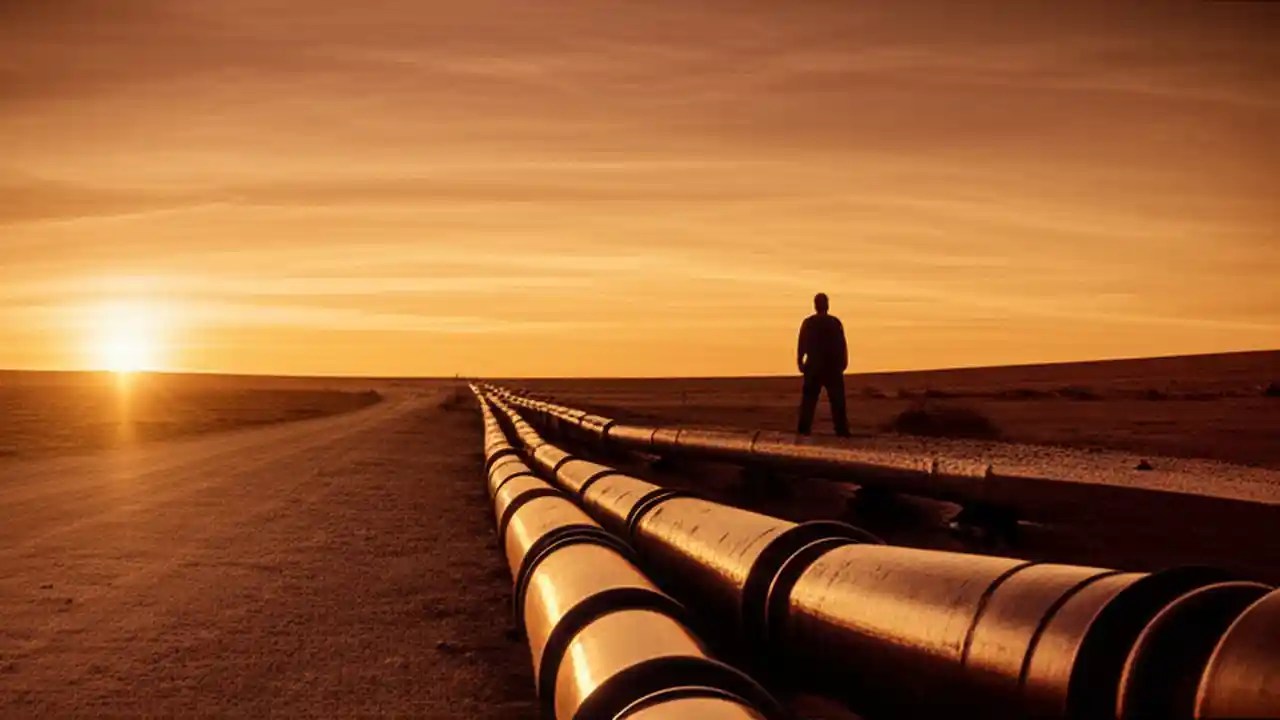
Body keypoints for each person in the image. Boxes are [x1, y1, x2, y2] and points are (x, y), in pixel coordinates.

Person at [796, 292, 851, 437]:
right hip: (830, 367)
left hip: (817, 367)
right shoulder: (834, 322)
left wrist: (800, 360)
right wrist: (844, 361)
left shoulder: (810, 323)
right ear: (826, 305)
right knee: (836, 400)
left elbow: (802, 343)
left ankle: (804, 429)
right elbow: (842, 344)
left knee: (810, 400)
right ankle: (841, 429)